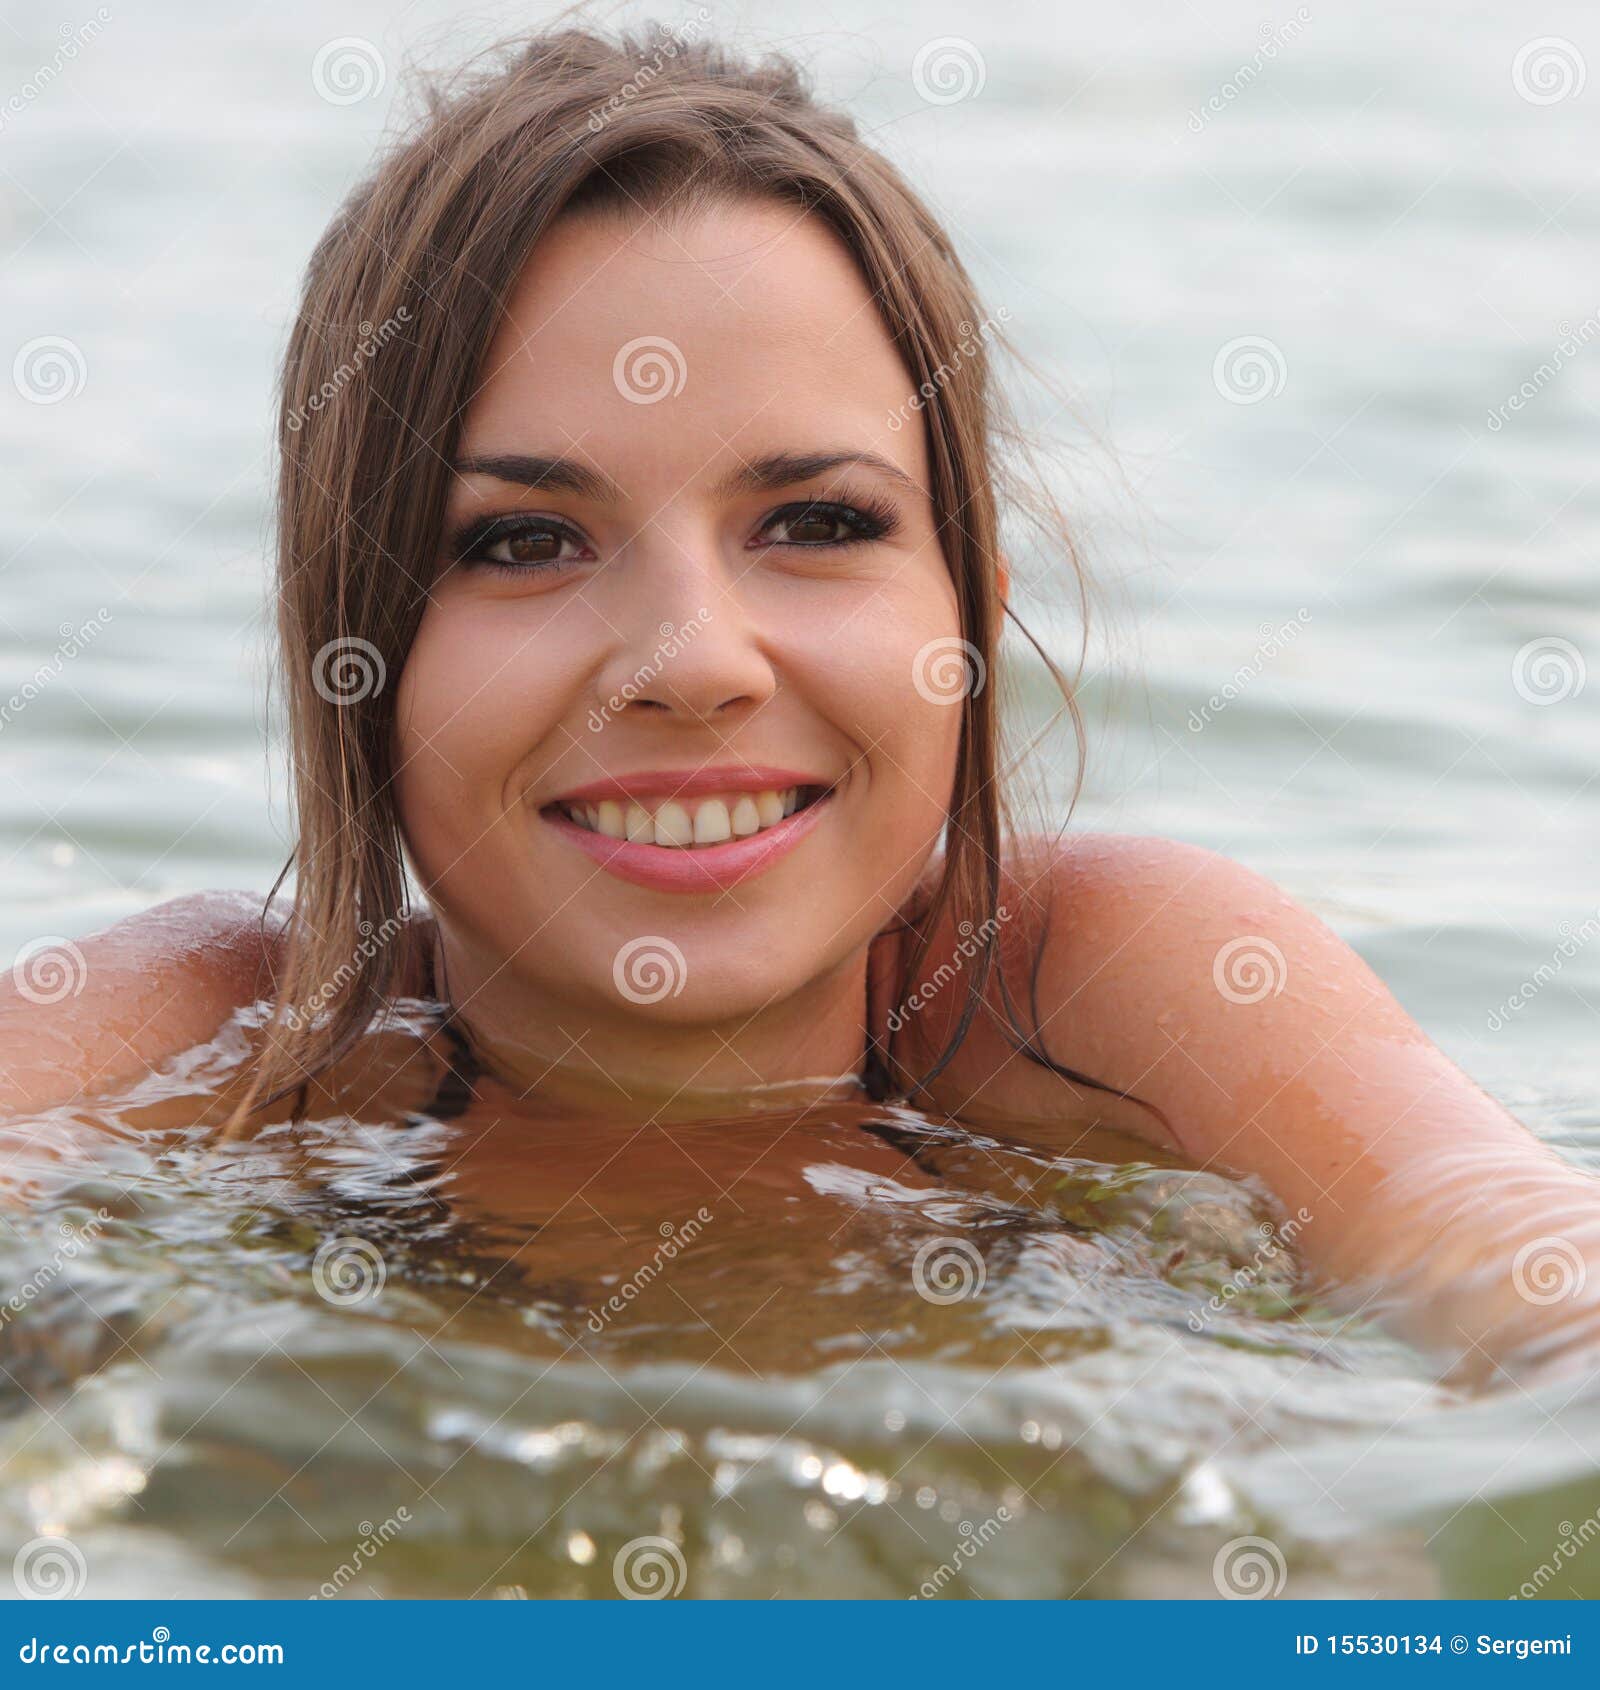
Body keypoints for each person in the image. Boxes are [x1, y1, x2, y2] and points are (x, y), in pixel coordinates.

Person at [3, 24, 1596, 1391]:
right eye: (523, 540)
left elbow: (1522, 1278)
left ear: (965, 603)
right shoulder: (226, 1042)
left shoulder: (1097, 996)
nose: (694, 659)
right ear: (361, 647)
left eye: (819, 523)